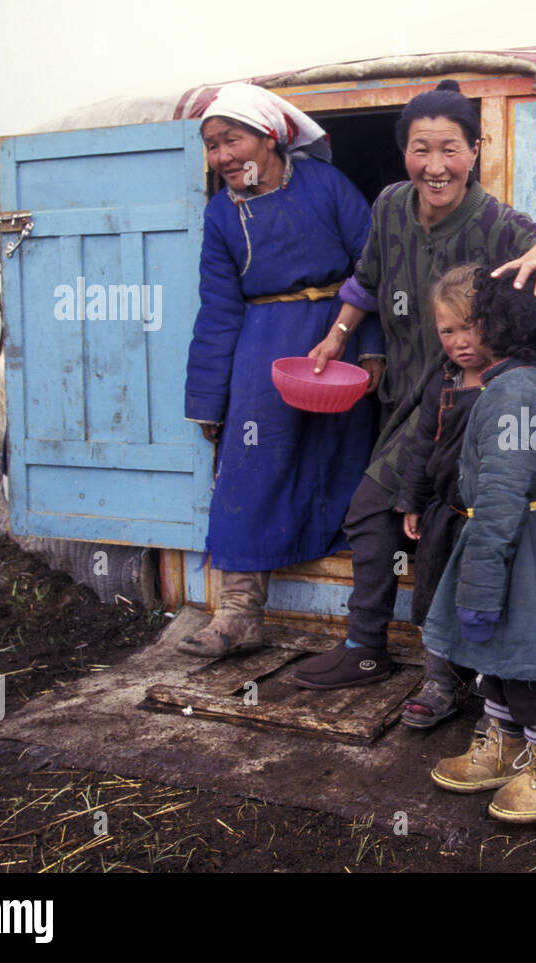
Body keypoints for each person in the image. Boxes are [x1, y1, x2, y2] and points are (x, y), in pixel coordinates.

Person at [292, 79, 536, 690]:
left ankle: (447, 666)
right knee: (379, 515)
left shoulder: (497, 223)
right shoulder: (388, 205)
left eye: (450, 149)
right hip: (404, 393)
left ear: (477, 150)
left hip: (468, 401)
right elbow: (365, 280)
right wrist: (338, 335)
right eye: (420, 149)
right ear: (404, 151)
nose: (435, 166)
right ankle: (372, 649)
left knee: (430, 522)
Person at [180, 83, 382, 657]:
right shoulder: (221, 214)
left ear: (269, 138)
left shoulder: (325, 185)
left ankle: (361, 621)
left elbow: (374, 265)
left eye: (232, 139)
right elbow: (218, 306)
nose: (222, 156)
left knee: (346, 460)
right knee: (248, 470)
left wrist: (372, 344)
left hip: (338, 332)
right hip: (262, 346)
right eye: (212, 146)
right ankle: (239, 614)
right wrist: (208, 398)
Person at [422, 268, 536, 824]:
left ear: (499, 327)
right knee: (499, 660)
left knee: (529, 664)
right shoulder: (528, 382)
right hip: (527, 545)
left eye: (475, 322)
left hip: (521, 553)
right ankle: (506, 745)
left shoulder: (513, 393)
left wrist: (480, 588)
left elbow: (502, 499)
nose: (463, 337)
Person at [396, 265, 490, 728]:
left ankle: (497, 693)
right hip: (445, 515)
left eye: (470, 326)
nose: (459, 340)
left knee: (491, 597)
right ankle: (439, 681)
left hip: (493, 520)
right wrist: (412, 501)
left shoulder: (513, 381)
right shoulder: (445, 382)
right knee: (436, 596)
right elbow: (422, 446)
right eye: (447, 330)